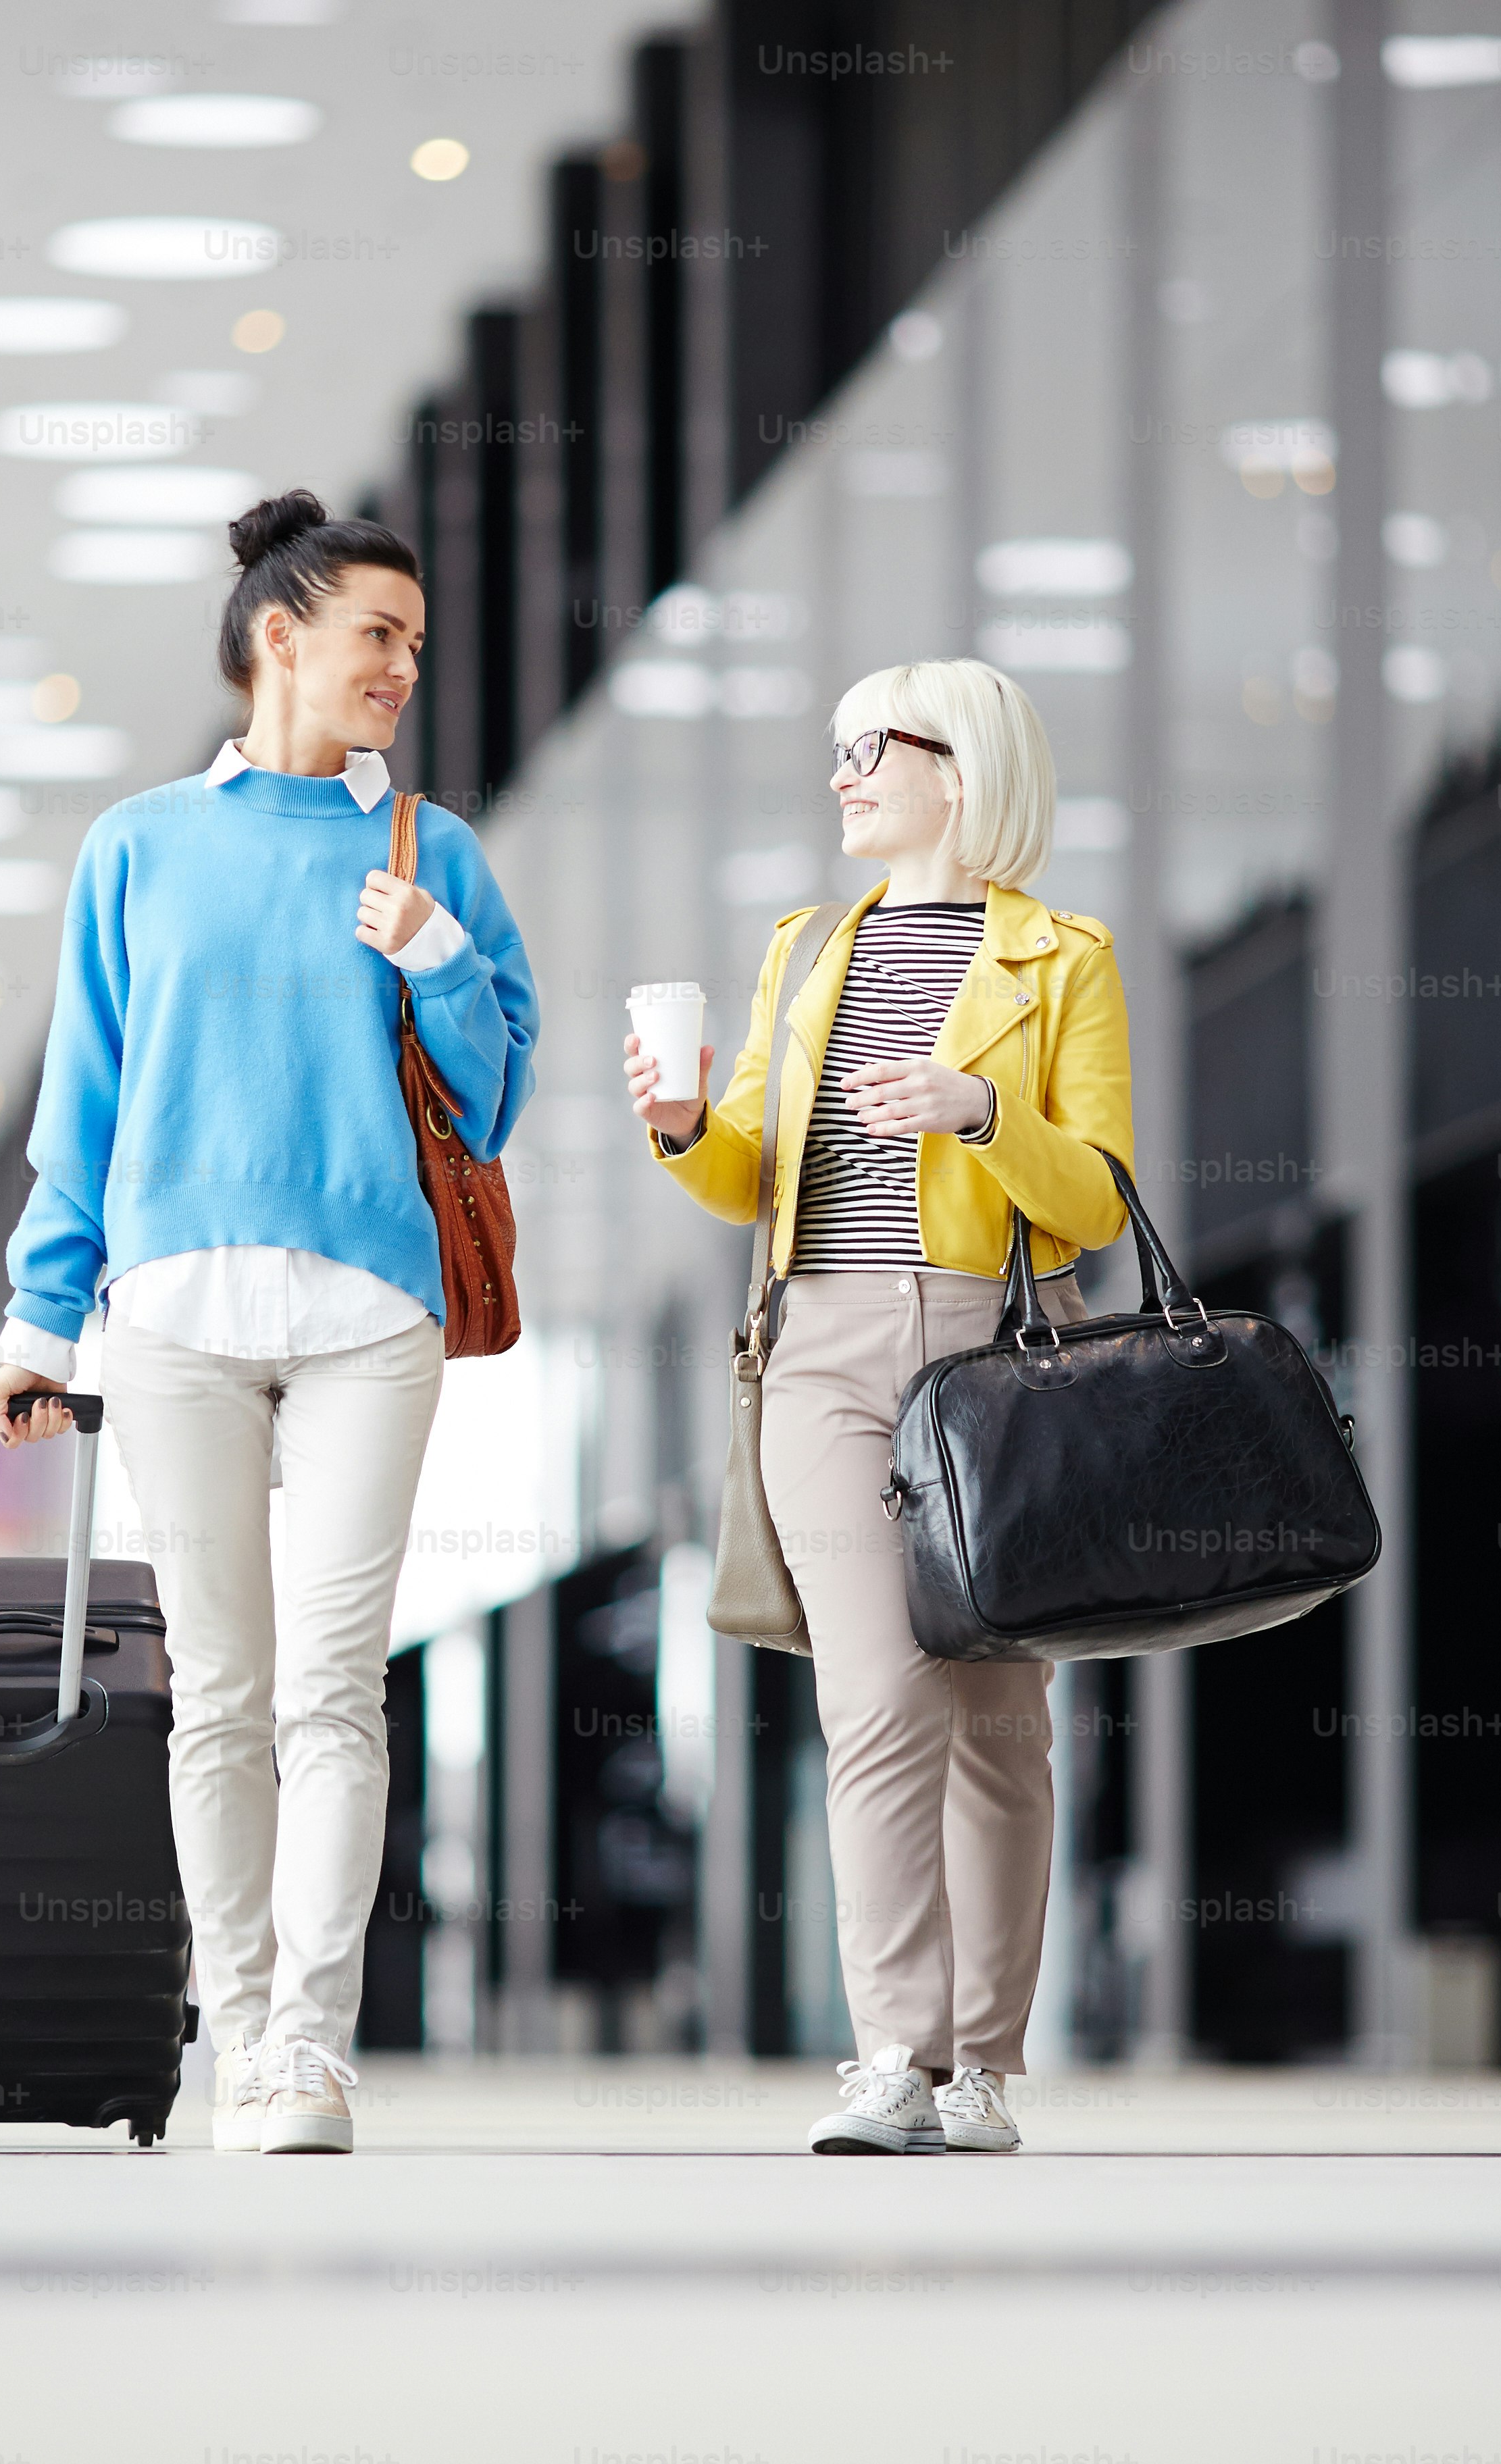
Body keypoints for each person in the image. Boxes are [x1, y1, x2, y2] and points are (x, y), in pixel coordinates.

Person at [0, 490, 537, 2155]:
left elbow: (497, 1102)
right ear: (278, 637)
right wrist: (40, 1317)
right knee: (221, 1694)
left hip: (374, 1310)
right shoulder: (139, 847)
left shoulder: (431, 852)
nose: (401, 670)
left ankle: (312, 2045)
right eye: (378, 635)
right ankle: (239, 2035)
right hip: (173, 1315)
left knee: (336, 1689)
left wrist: (439, 956)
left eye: (416, 646)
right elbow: (82, 1099)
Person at [628, 657, 1130, 2154]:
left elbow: (1097, 1200)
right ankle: (893, 2057)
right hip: (822, 1354)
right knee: (879, 1696)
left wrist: (981, 1112)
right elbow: (757, 1175)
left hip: (992, 1354)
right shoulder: (807, 950)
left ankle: (983, 2068)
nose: (842, 775)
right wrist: (678, 1128)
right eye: (835, 750)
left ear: (959, 767)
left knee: (996, 1714)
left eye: (869, 749)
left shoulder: (1064, 958)